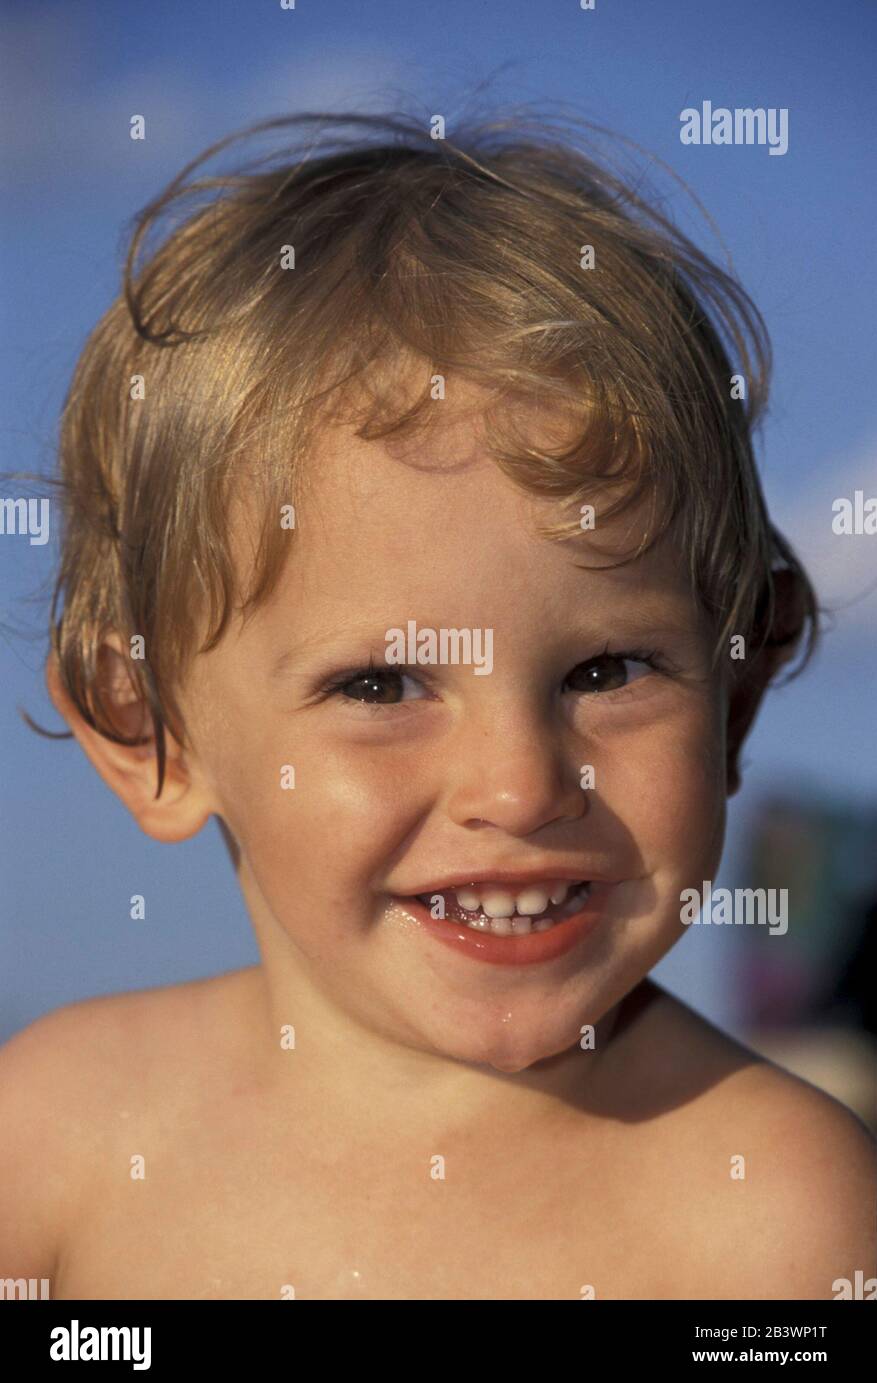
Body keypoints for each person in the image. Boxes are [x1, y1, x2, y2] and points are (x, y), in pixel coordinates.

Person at [2, 112, 874, 1300]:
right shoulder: (54, 1140)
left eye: (608, 670)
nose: (518, 784)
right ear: (149, 728)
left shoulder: (779, 1217)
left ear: (737, 688)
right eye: (381, 684)